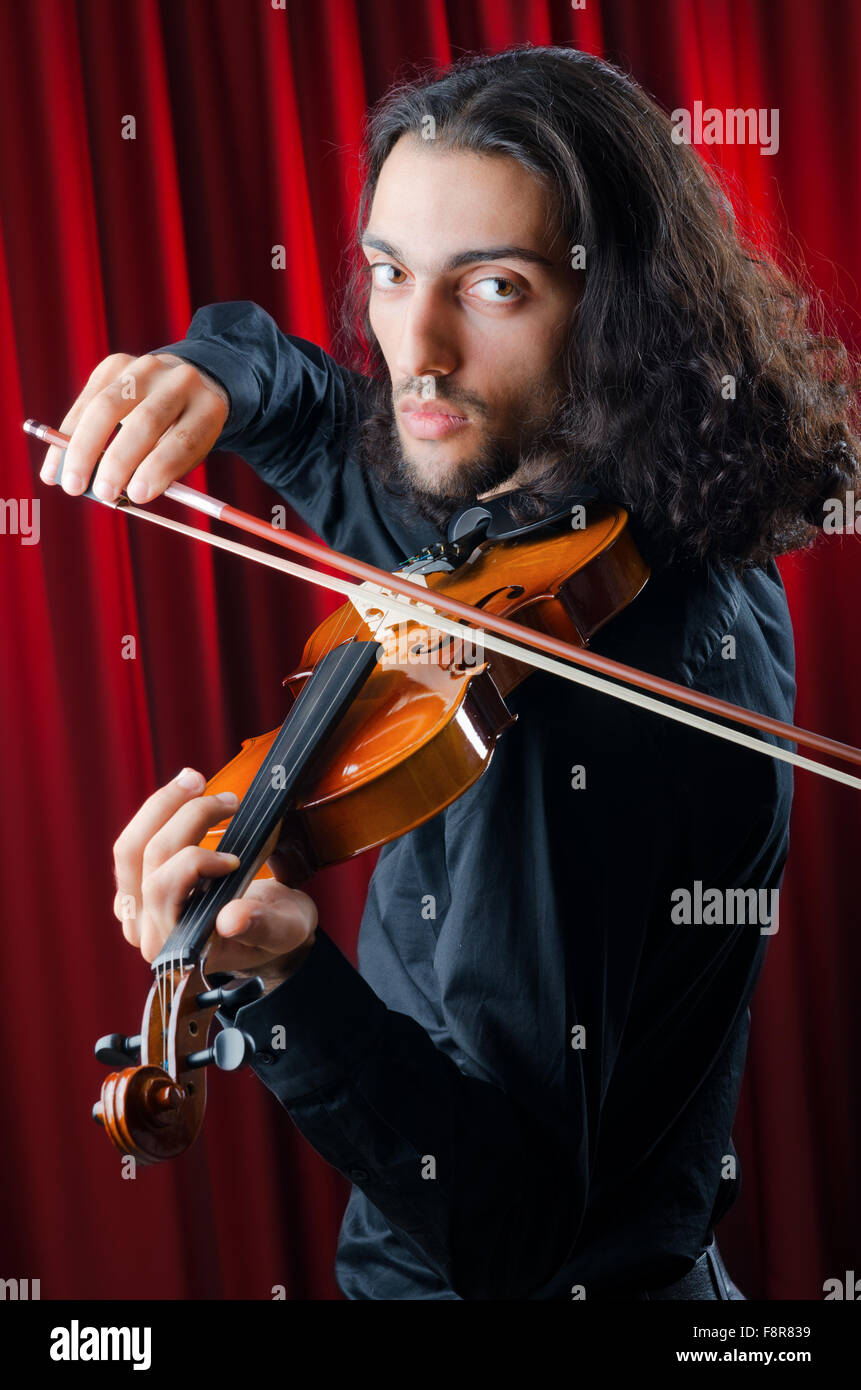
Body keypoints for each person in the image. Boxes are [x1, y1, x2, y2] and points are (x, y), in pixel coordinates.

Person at [42, 48, 858, 1300]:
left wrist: (280, 977)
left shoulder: (567, 726)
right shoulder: (605, 518)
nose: (412, 349)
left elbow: (512, 1226)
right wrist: (213, 370)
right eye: (387, 272)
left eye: (491, 285)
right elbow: (319, 413)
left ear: (615, 306)